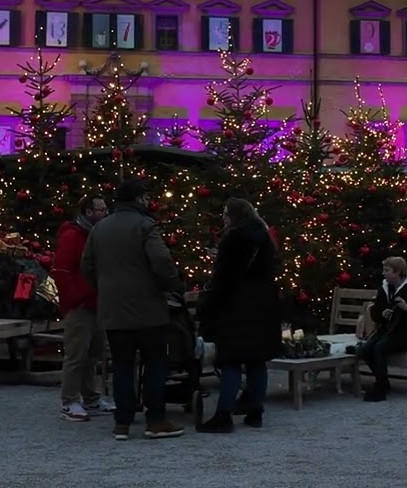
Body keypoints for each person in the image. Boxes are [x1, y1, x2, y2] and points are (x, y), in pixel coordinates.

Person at [81, 179, 186, 441]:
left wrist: (104, 288)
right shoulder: (145, 226)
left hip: (114, 309)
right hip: (147, 308)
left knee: (122, 365)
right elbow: (161, 261)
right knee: (155, 365)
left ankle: (122, 423)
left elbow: (87, 266)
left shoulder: (100, 229)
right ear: (139, 198)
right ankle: (155, 420)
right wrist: (173, 286)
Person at [197, 198, 280, 432]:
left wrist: (208, 306)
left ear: (235, 215)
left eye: (225, 213)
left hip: (235, 304)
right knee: (256, 360)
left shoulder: (232, 240)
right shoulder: (265, 237)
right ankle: (255, 412)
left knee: (230, 360)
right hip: (261, 303)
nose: (223, 217)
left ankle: (223, 415)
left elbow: (223, 279)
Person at [53, 195, 115, 422]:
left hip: (96, 302)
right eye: (101, 209)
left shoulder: (97, 235)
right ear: (89, 212)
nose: (105, 213)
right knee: (77, 354)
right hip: (81, 304)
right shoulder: (72, 237)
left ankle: (91, 397)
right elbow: (61, 270)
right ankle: (69, 400)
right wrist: (76, 298)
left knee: (93, 354)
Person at [354, 256, 407, 403]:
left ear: (397, 272)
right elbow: (375, 312)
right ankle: (383, 380)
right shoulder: (384, 288)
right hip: (387, 331)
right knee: (365, 349)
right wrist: (382, 314)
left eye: (387, 270)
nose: (384, 273)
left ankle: (380, 387)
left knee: (379, 348)